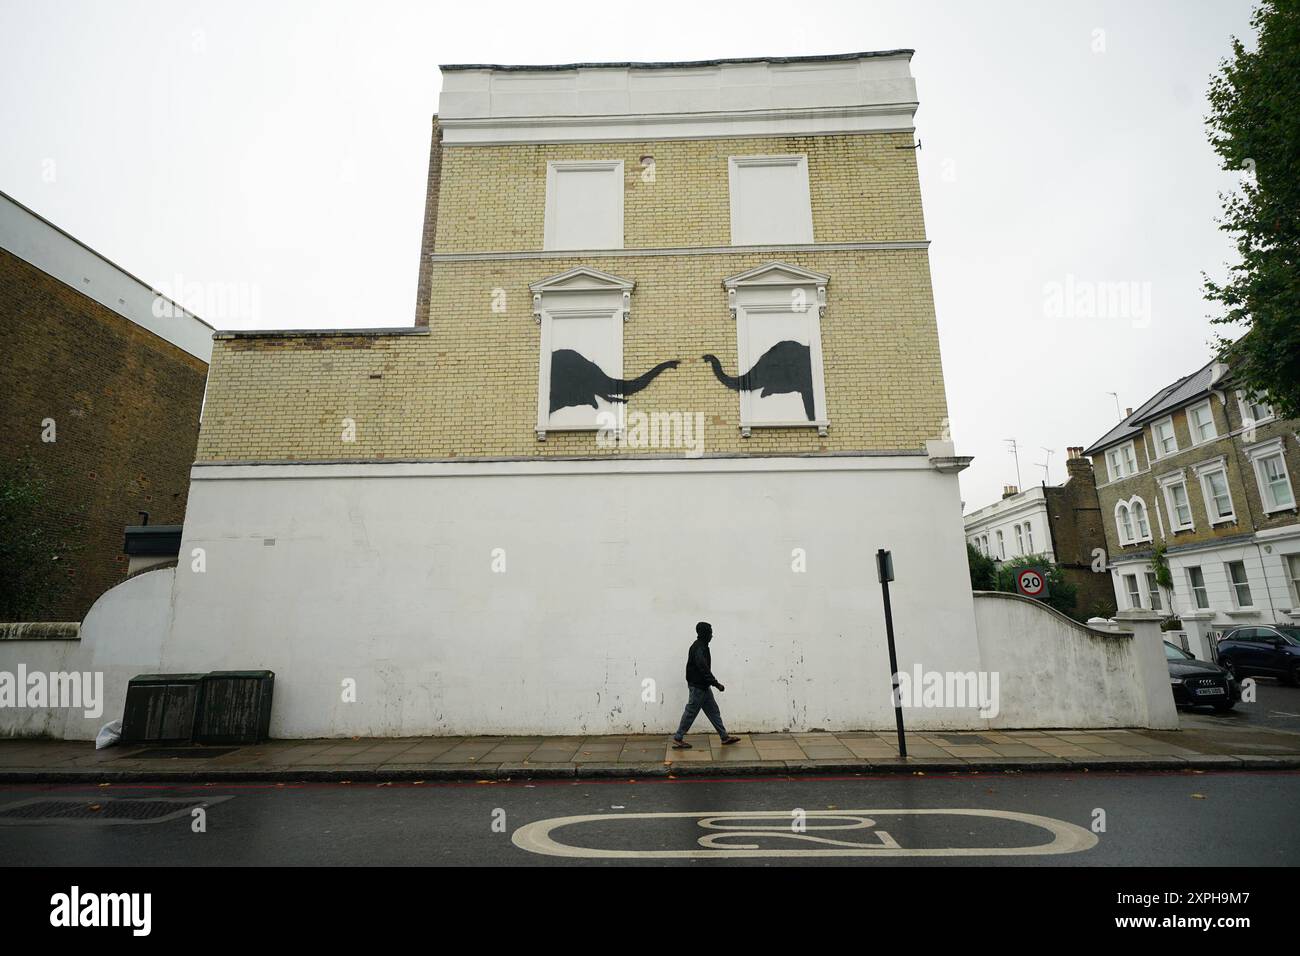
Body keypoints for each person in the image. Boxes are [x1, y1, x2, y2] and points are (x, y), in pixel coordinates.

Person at [671, 621, 741, 749]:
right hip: (698, 687)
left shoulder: (701, 646)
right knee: (690, 713)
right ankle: (678, 738)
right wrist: (716, 684)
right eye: (710, 633)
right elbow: (703, 669)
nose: (712, 635)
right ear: (704, 634)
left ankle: (724, 737)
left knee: (713, 711)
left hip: (703, 687)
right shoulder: (698, 648)